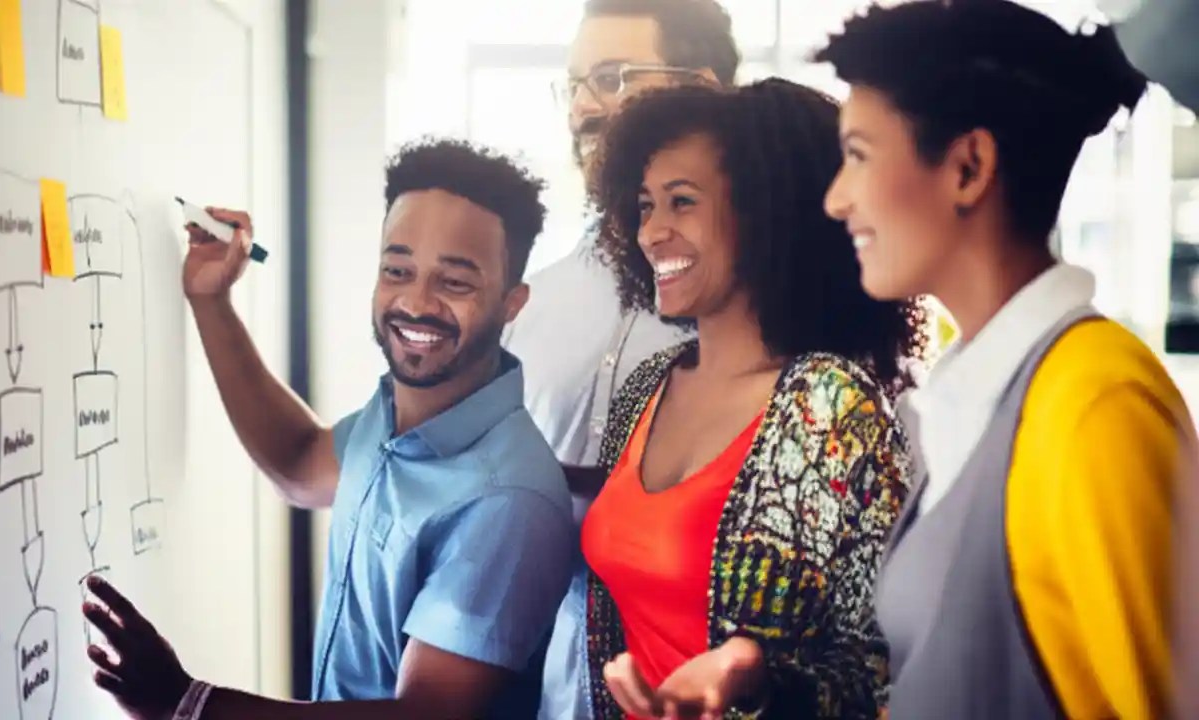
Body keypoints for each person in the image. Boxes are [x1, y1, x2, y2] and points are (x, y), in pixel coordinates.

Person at [79, 139, 575, 720]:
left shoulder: (508, 498)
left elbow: (426, 716)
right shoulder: (393, 416)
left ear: (512, 303)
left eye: (456, 283)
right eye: (398, 270)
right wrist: (211, 302)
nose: (416, 301)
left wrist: (191, 706)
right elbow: (298, 462)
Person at [816, 2, 1198, 717]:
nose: (838, 198)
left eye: (859, 155)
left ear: (968, 167)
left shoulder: (1096, 407)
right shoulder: (981, 391)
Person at [575, 80, 926, 719]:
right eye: (645, 205)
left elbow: (889, 668)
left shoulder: (832, 407)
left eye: (682, 203)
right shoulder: (646, 388)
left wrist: (763, 684)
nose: (652, 232)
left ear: (765, 214)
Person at [505, 3, 742, 718]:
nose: (581, 107)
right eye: (574, 84)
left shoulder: (780, 321)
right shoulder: (527, 304)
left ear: (698, 89)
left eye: (609, 78)